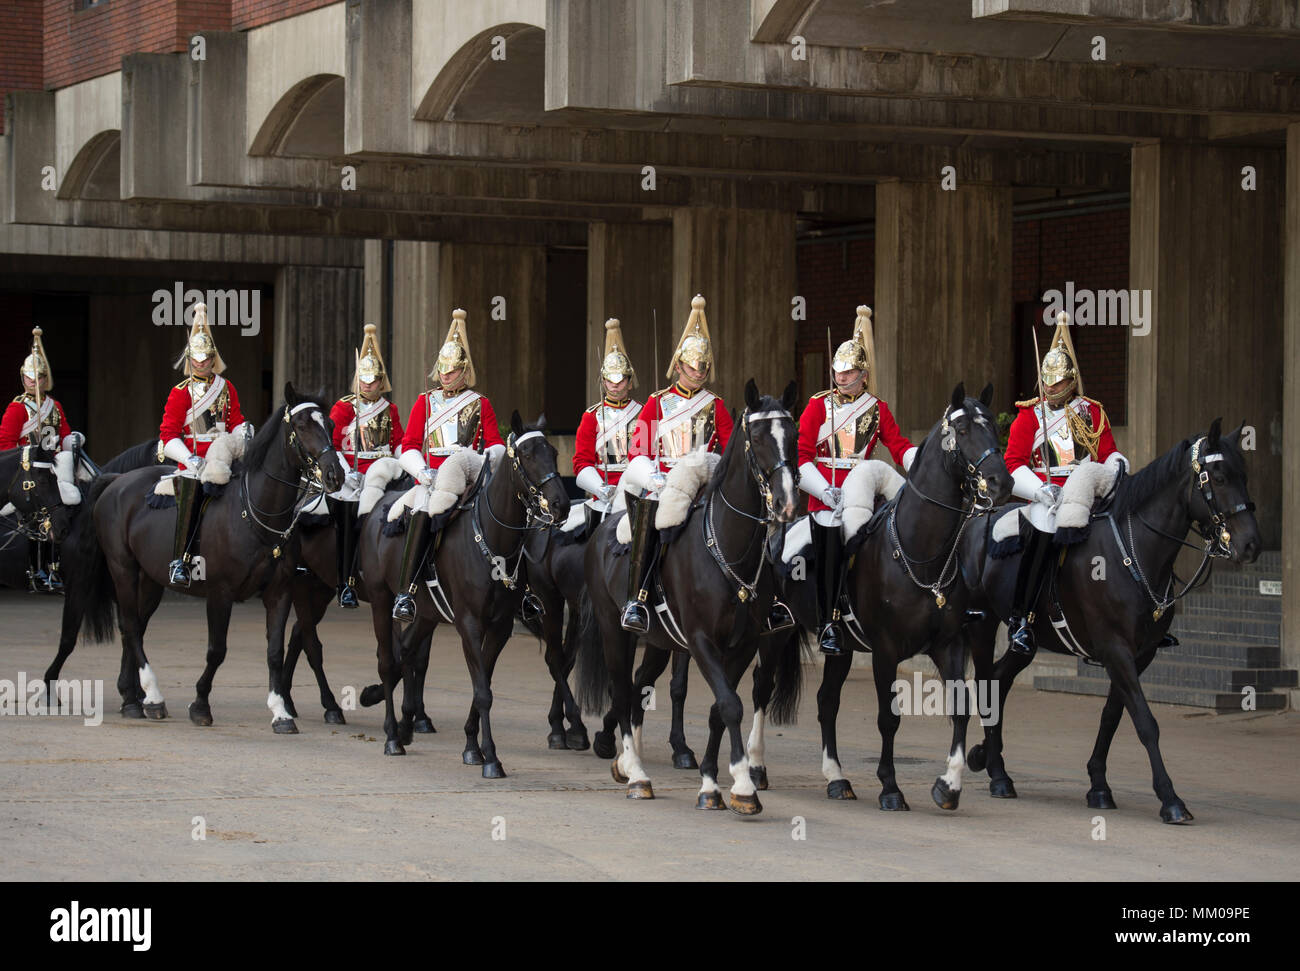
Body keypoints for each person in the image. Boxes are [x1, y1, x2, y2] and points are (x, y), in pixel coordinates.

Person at [1004, 311, 1127, 655]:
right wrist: (1040, 490)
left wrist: (1115, 473)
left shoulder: (1093, 411)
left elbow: (1108, 453)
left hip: (1086, 491)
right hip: (1047, 495)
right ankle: (1022, 619)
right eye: (1046, 381)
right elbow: (1012, 462)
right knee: (1042, 537)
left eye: (1057, 382)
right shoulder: (1029, 415)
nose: (1050, 388)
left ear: (1071, 380)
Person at [796, 305, 916, 655]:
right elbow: (801, 457)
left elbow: (898, 446)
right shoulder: (818, 406)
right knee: (832, 538)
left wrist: (921, 461)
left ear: (864, 374)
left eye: (849, 373)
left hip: (865, 496)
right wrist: (823, 490)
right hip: (825, 496)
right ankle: (829, 621)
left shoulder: (877, 409)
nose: (842, 377)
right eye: (838, 371)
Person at [619, 294, 733, 633]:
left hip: (703, 482)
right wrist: (651, 476)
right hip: (664, 482)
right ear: (679, 365)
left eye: (703, 368)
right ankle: (637, 600)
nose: (697, 374)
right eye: (691, 367)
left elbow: (728, 454)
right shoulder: (657, 403)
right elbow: (636, 450)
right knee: (650, 520)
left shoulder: (717, 406)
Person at [391, 308, 503, 623]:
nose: (446, 375)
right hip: (432, 479)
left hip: (468, 478)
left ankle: (520, 591)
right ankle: (407, 592)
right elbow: (410, 445)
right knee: (422, 513)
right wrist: (421, 470)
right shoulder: (424, 402)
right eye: (442, 369)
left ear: (465, 371)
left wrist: (483, 463)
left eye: (452, 370)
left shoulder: (480, 403)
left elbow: (495, 444)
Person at [158, 303, 249, 587]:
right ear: (190, 358)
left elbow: (235, 421)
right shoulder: (180, 392)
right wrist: (190, 459)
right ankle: (180, 560)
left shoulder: (226, 387)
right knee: (191, 494)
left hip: (224, 457)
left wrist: (245, 433)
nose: (201, 363)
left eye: (206, 357)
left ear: (213, 358)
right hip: (194, 460)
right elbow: (168, 434)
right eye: (196, 358)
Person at [0, 327, 84, 591]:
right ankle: (35, 569)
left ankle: (57, 567)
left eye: (38, 378)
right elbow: (6, 445)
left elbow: (64, 433)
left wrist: (73, 441)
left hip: (55, 465)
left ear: (45, 379)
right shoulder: (17, 408)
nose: (34, 383)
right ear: (23, 379)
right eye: (29, 378)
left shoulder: (54, 406)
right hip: (29, 471)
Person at [327, 324, 404, 608]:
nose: (367, 385)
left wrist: (403, 463)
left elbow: (398, 441)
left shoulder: (390, 409)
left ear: (381, 381)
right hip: (352, 476)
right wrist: (347, 474)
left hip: (383, 473)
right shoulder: (345, 407)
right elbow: (332, 445)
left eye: (372, 380)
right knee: (349, 521)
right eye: (363, 379)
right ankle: (346, 581)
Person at [573, 318, 641, 513]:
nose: (615, 384)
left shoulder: (643, 412)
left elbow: (650, 454)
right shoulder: (591, 416)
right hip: (604, 493)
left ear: (629, 381)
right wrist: (599, 488)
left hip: (637, 491)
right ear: (603, 381)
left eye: (620, 380)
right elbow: (582, 461)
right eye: (610, 380)